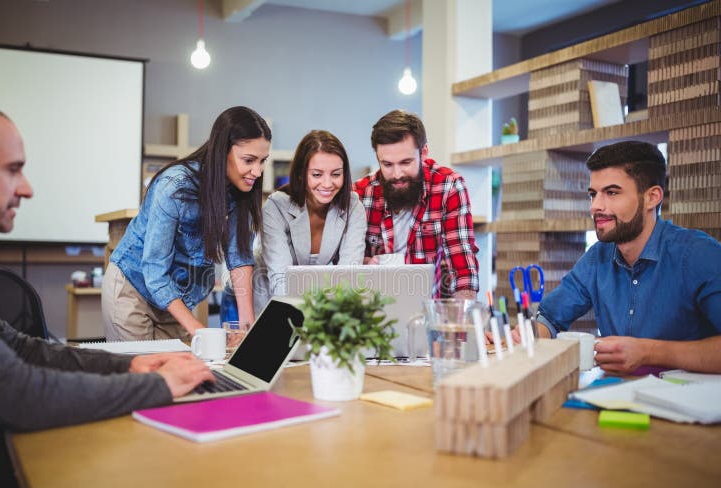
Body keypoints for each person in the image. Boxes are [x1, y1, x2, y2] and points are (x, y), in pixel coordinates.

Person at [0, 96, 214, 488]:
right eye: (12, 169)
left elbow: (19, 348)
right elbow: (18, 394)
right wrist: (155, 386)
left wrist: (129, 364)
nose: (26, 188)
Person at [532, 140, 721, 374]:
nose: (595, 206)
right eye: (593, 194)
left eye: (611, 193)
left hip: (690, 405)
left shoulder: (699, 255)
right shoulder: (597, 258)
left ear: (652, 197)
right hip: (617, 398)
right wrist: (526, 336)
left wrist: (648, 352)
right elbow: (550, 319)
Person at [103, 106, 270, 341]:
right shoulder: (174, 186)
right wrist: (198, 330)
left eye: (263, 161)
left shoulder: (243, 189)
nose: (257, 171)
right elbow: (154, 271)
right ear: (222, 152)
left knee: (177, 374)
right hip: (133, 288)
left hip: (175, 299)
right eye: (249, 160)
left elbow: (239, 257)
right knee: (142, 374)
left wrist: (247, 327)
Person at [354, 109, 479, 298]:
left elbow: (463, 271)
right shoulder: (361, 194)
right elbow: (346, 267)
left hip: (432, 311)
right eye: (387, 164)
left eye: (406, 162)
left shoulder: (449, 187)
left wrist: (461, 322)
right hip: (373, 313)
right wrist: (361, 264)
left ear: (424, 153)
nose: (397, 174)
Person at [254, 130, 366, 314]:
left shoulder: (353, 206)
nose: (327, 184)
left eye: (336, 174)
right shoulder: (276, 207)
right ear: (300, 174)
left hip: (317, 300)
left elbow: (348, 274)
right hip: (269, 293)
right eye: (317, 174)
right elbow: (281, 279)